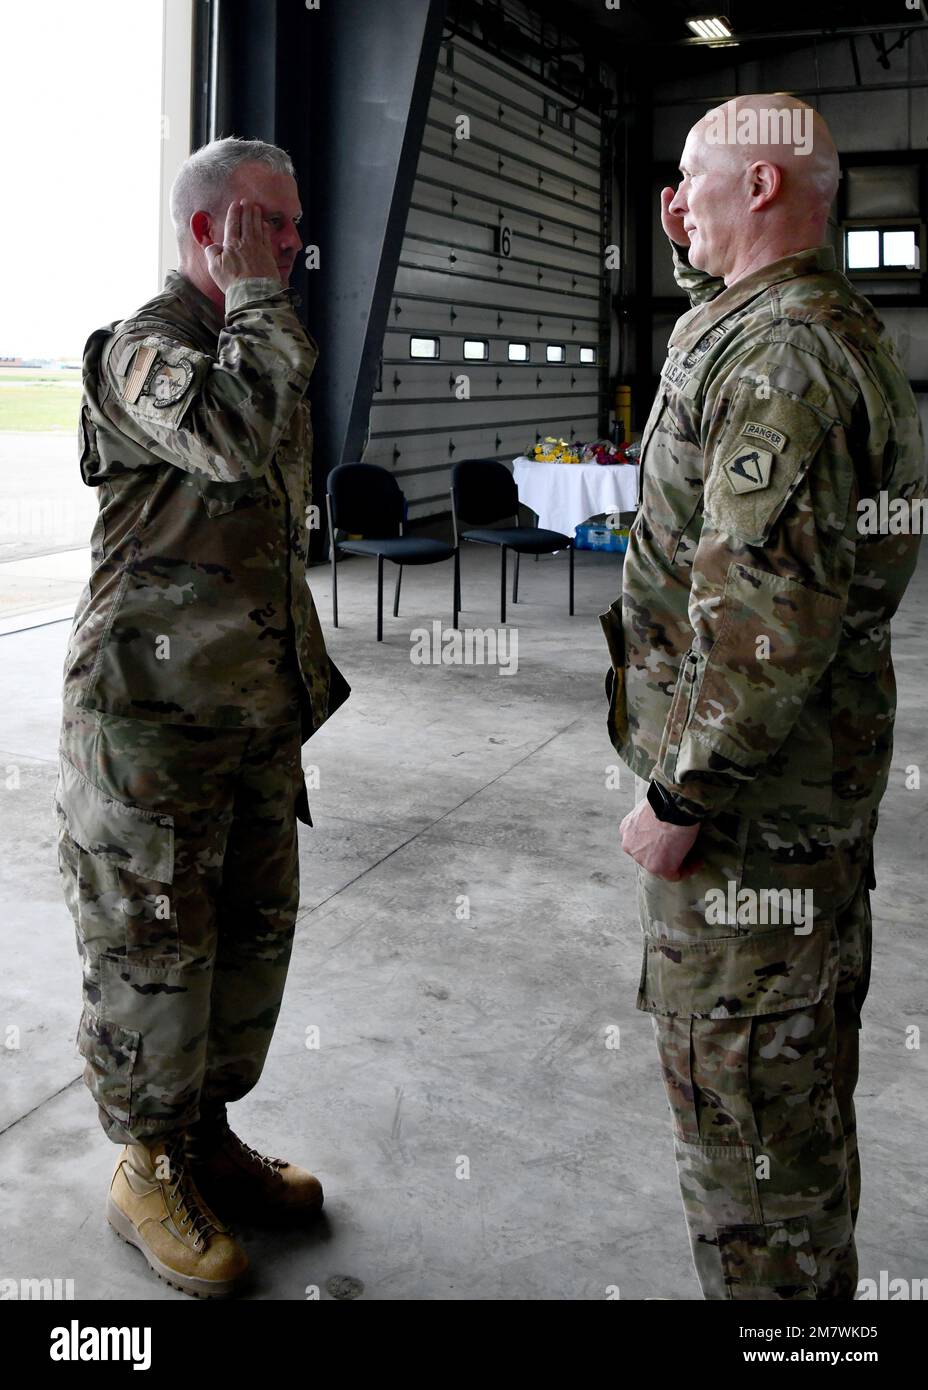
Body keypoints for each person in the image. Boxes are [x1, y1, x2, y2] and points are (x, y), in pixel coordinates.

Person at [600, 94, 925, 1299]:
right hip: (799, 804)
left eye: (693, 177)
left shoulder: (781, 360)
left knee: (751, 1147)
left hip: (746, 824)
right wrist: (699, 259)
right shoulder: (784, 327)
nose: (671, 199)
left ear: (765, 188)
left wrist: (681, 789)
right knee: (789, 1110)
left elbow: (765, 619)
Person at [55, 136, 349, 1298]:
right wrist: (265, 295)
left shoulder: (250, 342)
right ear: (208, 231)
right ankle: (144, 1168)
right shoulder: (147, 350)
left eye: (289, 230)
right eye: (268, 227)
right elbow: (228, 441)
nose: (289, 248)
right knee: (153, 961)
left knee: (243, 950)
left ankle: (204, 1137)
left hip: (245, 721)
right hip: (148, 731)